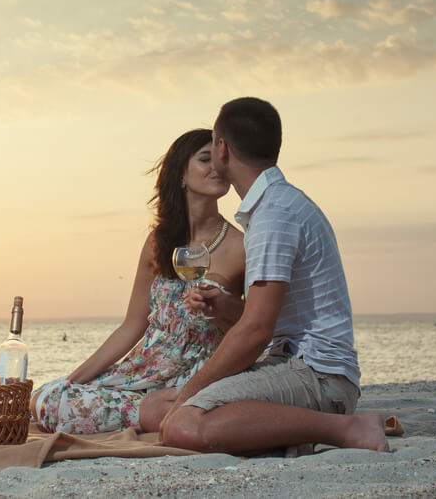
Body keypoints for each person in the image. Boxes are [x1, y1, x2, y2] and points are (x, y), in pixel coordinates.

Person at [159, 97, 388, 453]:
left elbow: (255, 331)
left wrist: (186, 397)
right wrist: (226, 306)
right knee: (192, 414)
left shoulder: (274, 214)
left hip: (318, 377)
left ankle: (349, 429)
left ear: (222, 149)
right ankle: (298, 433)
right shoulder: (277, 205)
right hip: (301, 368)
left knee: (183, 423)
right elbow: (264, 317)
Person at [30, 128, 245, 434]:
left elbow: (252, 326)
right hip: (143, 370)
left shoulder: (241, 246)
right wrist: (72, 380)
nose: (217, 167)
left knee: (57, 403)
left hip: (198, 374)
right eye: (204, 159)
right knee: (46, 398)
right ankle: (144, 413)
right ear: (181, 174)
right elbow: (132, 325)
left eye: (221, 160)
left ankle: (158, 412)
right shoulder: (159, 241)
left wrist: (220, 308)